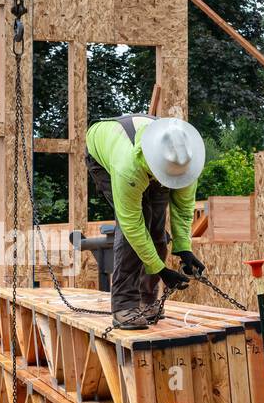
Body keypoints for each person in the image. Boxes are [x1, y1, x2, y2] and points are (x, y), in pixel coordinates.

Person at [85, 114, 206, 329]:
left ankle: (147, 301)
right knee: (135, 231)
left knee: (157, 228)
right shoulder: (127, 166)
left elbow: (183, 210)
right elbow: (133, 226)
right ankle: (124, 305)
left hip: (151, 160)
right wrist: (161, 270)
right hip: (104, 151)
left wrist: (183, 248)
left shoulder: (184, 161)